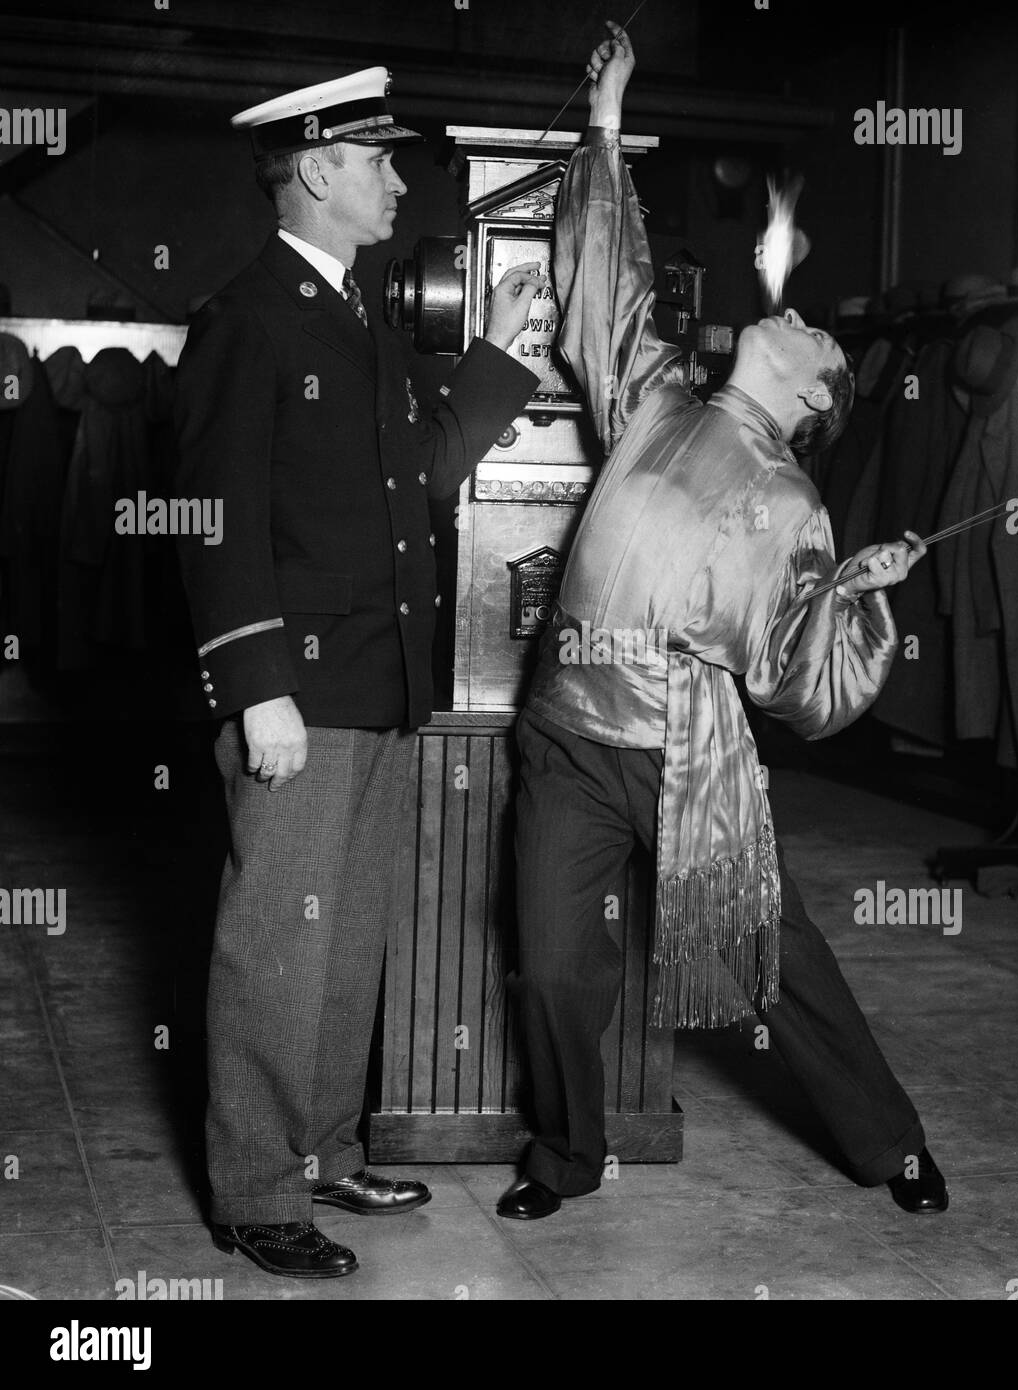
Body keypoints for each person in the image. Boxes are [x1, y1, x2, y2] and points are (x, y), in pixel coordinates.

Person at [498, 24, 949, 1222]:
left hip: (682, 764)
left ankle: (887, 1138)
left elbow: (800, 675)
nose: (797, 320)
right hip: (562, 738)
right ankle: (567, 1152)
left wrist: (849, 596)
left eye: (817, 341)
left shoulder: (792, 502)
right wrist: (605, 124)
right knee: (549, 963)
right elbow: (608, 285)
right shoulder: (654, 400)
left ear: (813, 400)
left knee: (774, 963)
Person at [174, 66, 541, 1277]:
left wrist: (505, 349)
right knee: (279, 941)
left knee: (347, 938)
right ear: (318, 169)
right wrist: (254, 680)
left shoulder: (356, 311)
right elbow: (212, 513)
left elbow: (422, 471)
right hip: (299, 691)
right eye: (378, 159)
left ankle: (323, 1151)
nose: (398, 177)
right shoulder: (249, 317)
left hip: (379, 683)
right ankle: (254, 1190)